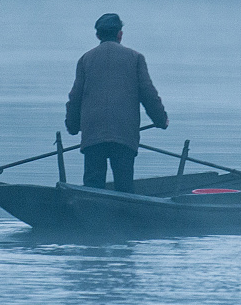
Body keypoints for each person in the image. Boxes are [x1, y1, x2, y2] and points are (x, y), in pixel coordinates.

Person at [65, 12, 167, 191]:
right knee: (124, 186)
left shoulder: (85, 59)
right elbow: (148, 94)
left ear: (98, 35)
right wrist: (161, 120)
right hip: (124, 134)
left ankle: (92, 213)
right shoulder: (135, 58)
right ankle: (124, 214)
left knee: (93, 187)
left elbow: (75, 98)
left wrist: (73, 127)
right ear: (120, 34)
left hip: (93, 134)